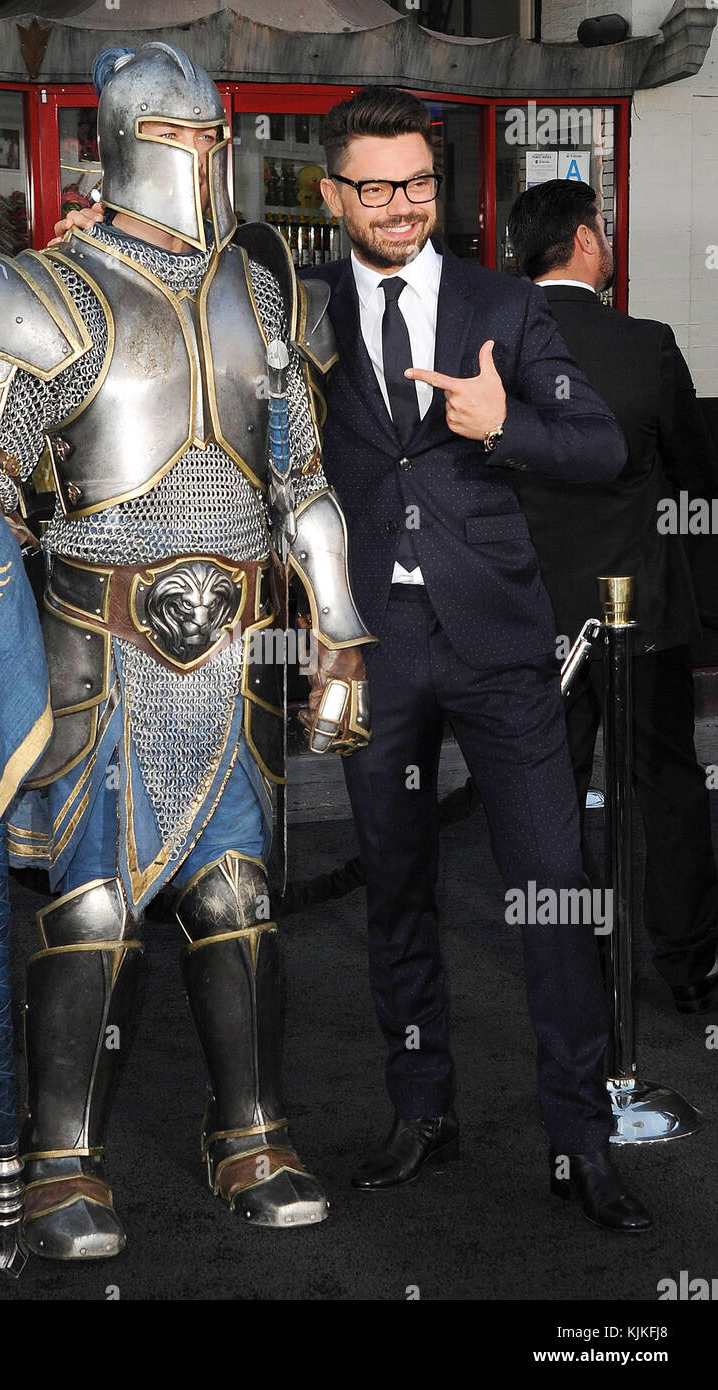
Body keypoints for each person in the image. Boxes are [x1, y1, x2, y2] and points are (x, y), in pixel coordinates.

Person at [0, 42, 374, 1260]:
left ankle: (247, 1131)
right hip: (99, 648)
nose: (214, 159)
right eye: (195, 138)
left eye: (218, 138)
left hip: (241, 645)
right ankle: (59, 1159)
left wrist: (341, 627)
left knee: (239, 896)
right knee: (94, 909)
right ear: (135, 140)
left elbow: (302, 483)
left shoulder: (261, 296)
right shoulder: (34, 293)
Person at [300, 87, 651, 1232]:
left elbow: (597, 447)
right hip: (371, 652)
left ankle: (581, 1140)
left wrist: (500, 426)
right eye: (376, 186)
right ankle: (421, 1109)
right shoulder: (299, 319)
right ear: (331, 194)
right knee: (394, 893)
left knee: (551, 894)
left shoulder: (502, 303)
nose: (401, 206)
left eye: (418, 184)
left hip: (500, 645)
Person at [507, 179, 718, 1015]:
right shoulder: (647, 344)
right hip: (642, 614)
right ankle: (690, 965)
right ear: (588, 240)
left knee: (550, 795)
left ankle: (577, 970)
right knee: (665, 785)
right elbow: (699, 478)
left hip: (532, 617)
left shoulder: (491, 346)